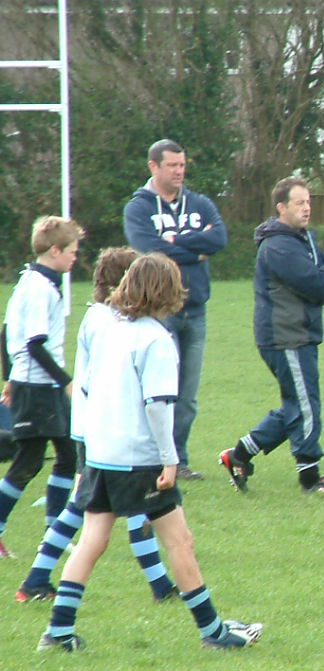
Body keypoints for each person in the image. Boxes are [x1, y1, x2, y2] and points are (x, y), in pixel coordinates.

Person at [37, 254, 262, 651]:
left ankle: (57, 632)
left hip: (101, 453)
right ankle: (213, 633)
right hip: (138, 459)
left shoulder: (107, 327)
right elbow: (157, 406)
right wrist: (170, 459)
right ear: (167, 291)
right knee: (180, 541)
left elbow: (87, 387)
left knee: (92, 541)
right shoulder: (156, 339)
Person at [15, 247, 176, 603]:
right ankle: (37, 578)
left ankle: (160, 585)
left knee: (117, 507)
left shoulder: (100, 316)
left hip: (96, 428)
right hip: (104, 431)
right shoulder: (108, 321)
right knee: (89, 508)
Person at [219, 177, 324, 494]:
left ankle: (239, 455)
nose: (307, 208)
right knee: (305, 407)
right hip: (286, 336)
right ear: (281, 207)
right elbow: (319, 285)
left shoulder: (304, 238)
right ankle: (310, 478)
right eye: (299, 203)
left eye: (308, 202)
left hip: (300, 334)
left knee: (295, 405)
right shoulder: (279, 246)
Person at [123, 139, 228, 480]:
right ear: (153, 167)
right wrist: (196, 250)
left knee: (188, 396)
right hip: (159, 315)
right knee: (159, 392)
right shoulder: (139, 208)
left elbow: (220, 239)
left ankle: (177, 461)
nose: (179, 171)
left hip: (195, 311)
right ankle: (151, 458)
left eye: (182, 165)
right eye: (172, 165)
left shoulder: (199, 203)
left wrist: (176, 242)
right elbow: (149, 250)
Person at [0, 216, 83, 561]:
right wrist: (66, 382)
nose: (75, 257)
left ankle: (54, 534)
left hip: (35, 383)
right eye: (72, 251)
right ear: (55, 251)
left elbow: (6, 331)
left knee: (67, 454)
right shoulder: (39, 289)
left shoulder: (33, 280)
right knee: (31, 459)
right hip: (38, 385)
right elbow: (34, 344)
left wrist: (8, 377)